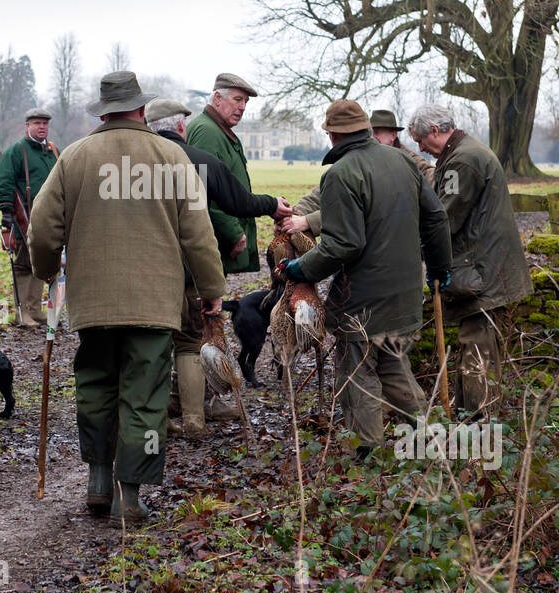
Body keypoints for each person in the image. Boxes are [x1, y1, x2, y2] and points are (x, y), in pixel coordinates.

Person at [28, 72, 225, 521]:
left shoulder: (73, 157)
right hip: (155, 305)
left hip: (93, 303)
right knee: (145, 396)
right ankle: (128, 497)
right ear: (141, 109)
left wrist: (44, 273)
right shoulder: (170, 156)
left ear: (103, 111)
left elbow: (41, 227)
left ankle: (98, 482)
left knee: (96, 386)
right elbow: (198, 233)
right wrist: (211, 290)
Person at [275, 100, 451, 457]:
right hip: (404, 294)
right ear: (366, 130)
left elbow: (344, 245)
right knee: (395, 365)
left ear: (333, 134)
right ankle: (431, 445)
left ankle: (367, 456)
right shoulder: (402, 161)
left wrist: (300, 269)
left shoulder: (341, 173)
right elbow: (436, 219)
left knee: (359, 375)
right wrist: (439, 267)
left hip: (364, 301)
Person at [145, 98, 291, 436]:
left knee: (153, 345)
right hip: (189, 272)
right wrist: (274, 206)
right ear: (181, 126)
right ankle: (195, 420)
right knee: (189, 342)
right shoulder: (200, 161)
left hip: (147, 274)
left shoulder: (133, 166)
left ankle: (157, 419)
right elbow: (239, 202)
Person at [407, 104, 533, 416]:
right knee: (475, 348)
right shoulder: (464, 152)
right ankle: (468, 418)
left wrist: (416, 253)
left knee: (478, 351)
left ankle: (478, 424)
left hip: (482, 273)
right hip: (487, 268)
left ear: (435, 131)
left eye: (421, 141)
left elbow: (444, 220)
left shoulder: (461, 161)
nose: (421, 147)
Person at [280, 110, 432, 236]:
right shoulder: (360, 158)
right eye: (371, 132)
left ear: (393, 135)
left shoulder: (408, 161)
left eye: (378, 132)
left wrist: (307, 221)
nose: (373, 137)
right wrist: (292, 214)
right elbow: (323, 193)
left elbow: (356, 211)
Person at [186, 73, 265, 274]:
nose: (243, 107)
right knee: (206, 299)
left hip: (220, 239)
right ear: (218, 98)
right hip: (216, 240)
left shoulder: (218, 129)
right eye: (237, 99)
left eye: (245, 102)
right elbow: (202, 190)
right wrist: (234, 233)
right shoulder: (207, 132)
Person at [0, 108, 59, 327]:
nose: (42, 127)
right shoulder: (16, 151)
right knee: (22, 265)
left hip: (49, 218)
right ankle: (22, 313)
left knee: (40, 262)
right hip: (24, 219)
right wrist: (6, 216)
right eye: (37, 123)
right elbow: (3, 183)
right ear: (27, 126)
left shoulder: (51, 151)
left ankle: (35, 309)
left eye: (45, 124)